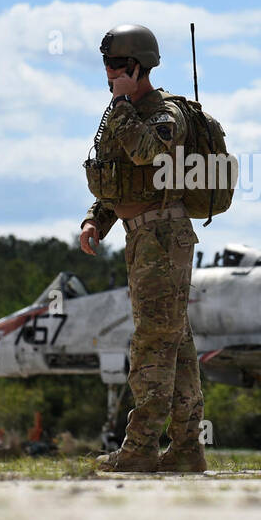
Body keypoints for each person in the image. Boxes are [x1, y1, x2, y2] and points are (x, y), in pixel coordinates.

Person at [79, 23, 207, 473]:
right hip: (143, 236)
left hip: (163, 237)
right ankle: (187, 448)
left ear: (137, 66)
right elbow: (122, 179)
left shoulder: (165, 114)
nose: (109, 73)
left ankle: (140, 448)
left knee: (154, 342)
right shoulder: (127, 112)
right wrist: (97, 219)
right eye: (106, 65)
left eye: (116, 65)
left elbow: (149, 156)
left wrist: (119, 106)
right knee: (177, 344)